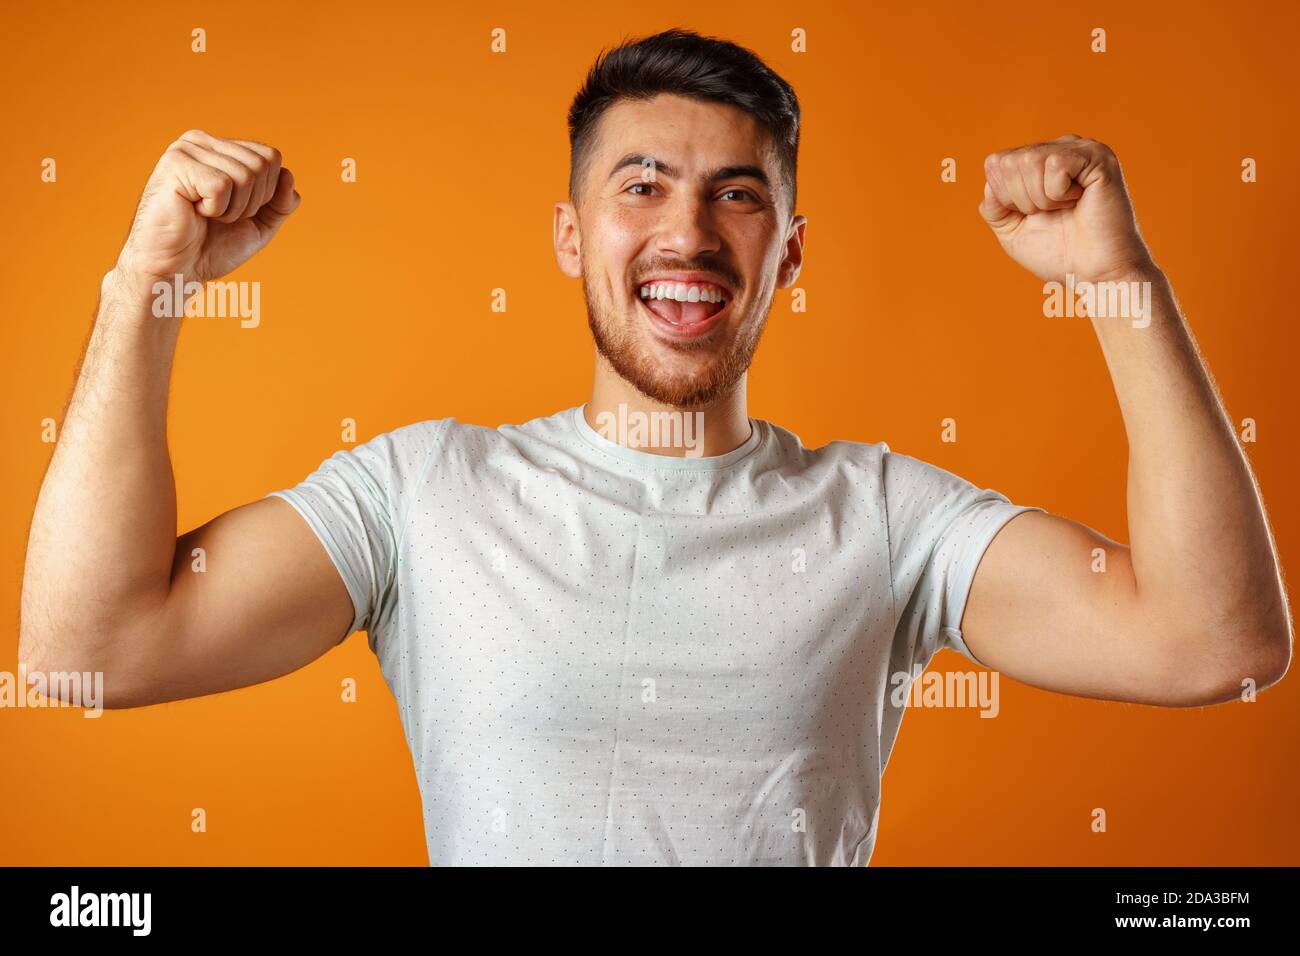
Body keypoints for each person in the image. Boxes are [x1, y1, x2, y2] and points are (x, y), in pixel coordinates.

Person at [19, 28, 1291, 865]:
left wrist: (1118, 280)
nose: (688, 232)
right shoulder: (420, 491)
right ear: (571, 237)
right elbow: (90, 652)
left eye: (737, 193)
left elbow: (1214, 642)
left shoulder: (887, 515)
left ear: (787, 251)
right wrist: (148, 282)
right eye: (639, 186)